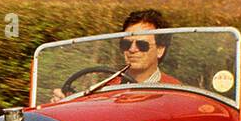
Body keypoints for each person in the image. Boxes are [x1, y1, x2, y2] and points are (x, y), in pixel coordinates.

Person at [50, 8, 181, 102]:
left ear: (160, 50)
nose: (132, 49)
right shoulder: (107, 87)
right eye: (126, 44)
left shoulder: (175, 92)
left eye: (142, 45)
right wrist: (65, 103)